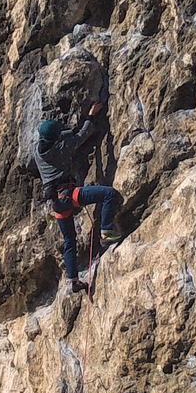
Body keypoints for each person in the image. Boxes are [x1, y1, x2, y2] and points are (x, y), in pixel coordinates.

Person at [35, 102, 122, 291]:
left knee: (69, 241)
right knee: (109, 194)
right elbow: (81, 136)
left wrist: (67, 131)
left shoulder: (39, 150)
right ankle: (106, 231)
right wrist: (90, 116)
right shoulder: (60, 149)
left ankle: (73, 280)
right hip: (68, 195)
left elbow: (65, 135)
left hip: (56, 204)